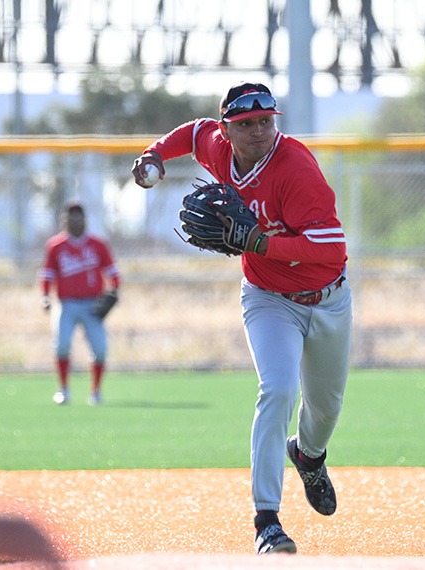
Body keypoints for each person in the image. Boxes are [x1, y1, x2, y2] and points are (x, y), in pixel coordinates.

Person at [131, 82, 352, 555]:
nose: (259, 132)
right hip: (268, 298)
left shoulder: (295, 169)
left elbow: (331, 248)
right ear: (228, 129)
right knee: (277, 389)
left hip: (328, 297)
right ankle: (267, 521)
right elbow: (192, 133)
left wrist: (259, 243)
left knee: (326, 408)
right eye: (247, 124)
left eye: (266, 121)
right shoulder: (218, 148)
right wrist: (154, 155)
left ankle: (308, 456)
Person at [39, 201, 120, 406]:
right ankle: (63, 389)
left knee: (100, 349)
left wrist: (114, 290)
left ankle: (95, 392)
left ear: (85, 220)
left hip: (93, 304)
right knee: (62, 345)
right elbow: (48, 273)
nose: (74, 222)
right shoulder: (56, 246)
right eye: (70, 218)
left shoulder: (97, 244)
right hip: (66, 304)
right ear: (63, 221)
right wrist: (45, 295)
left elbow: (112, 272)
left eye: (78, 218)